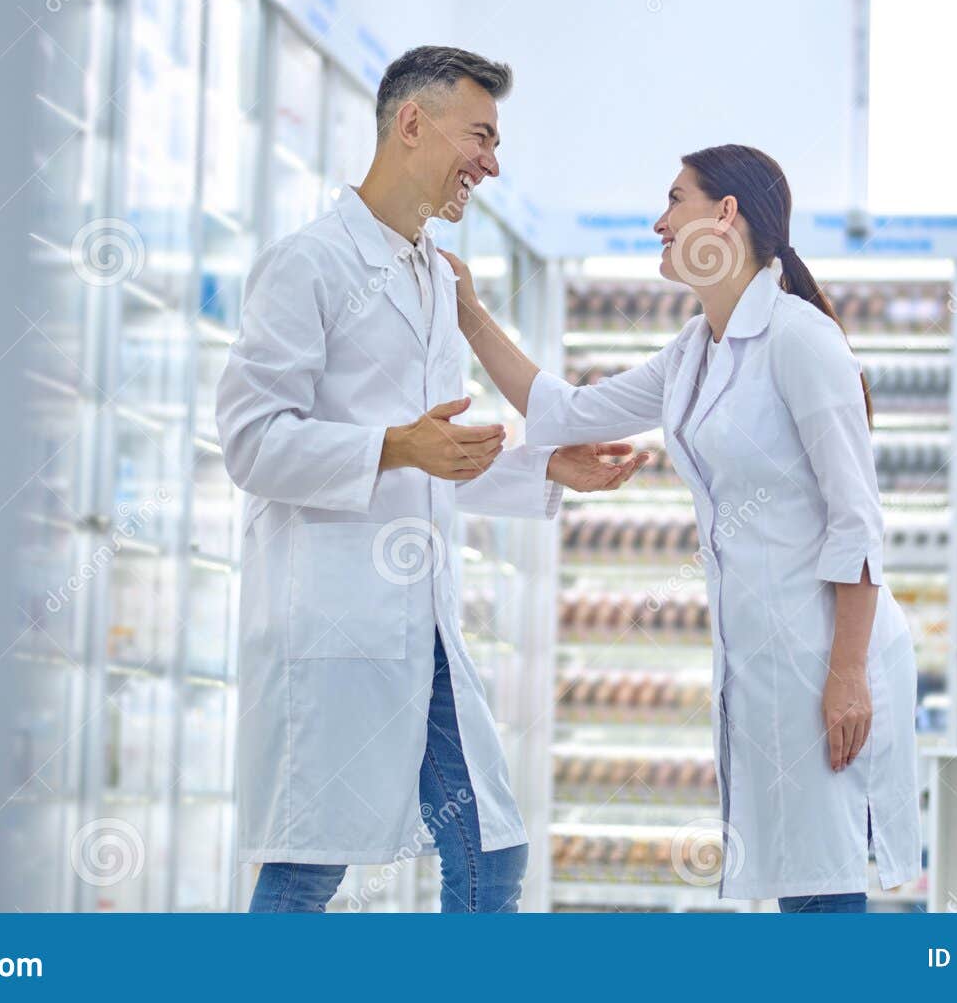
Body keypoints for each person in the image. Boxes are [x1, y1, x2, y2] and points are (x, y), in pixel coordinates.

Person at [216, 46, 647, 913]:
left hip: (422, 627)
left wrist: (543, 466)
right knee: (308, 867)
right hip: (334, 622)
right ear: (412, 124)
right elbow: (251, 443)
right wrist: (393, 448)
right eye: (480, 136)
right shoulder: (308, 265)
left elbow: (433, 457)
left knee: (493, 853)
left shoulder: (433, 277)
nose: (492, 163)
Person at [444, 144, 921, 911]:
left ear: (725, 214)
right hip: (761, 665)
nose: (659, 221)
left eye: (675, 200)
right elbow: (562, 411)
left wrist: (846, 674)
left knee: (824, 895)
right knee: (798, 886)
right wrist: (469, 313)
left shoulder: (801, 339)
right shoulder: (696, 351)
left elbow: (857, 520)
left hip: (825, 656)